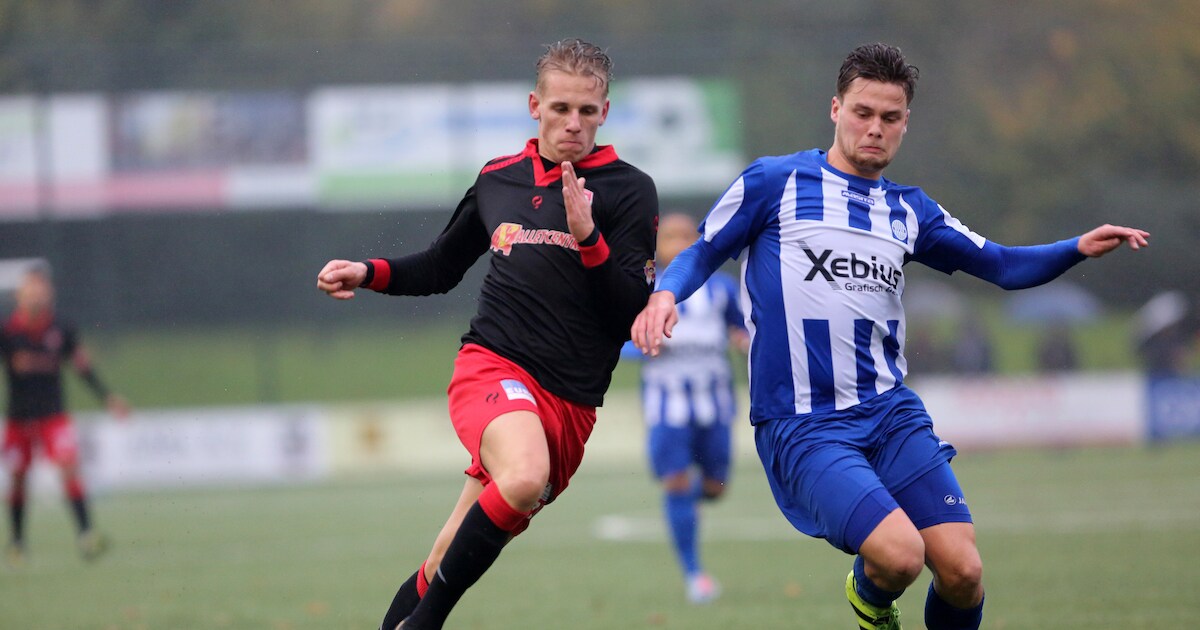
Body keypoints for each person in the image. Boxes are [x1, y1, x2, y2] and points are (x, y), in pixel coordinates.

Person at [631, 43, 1149, 630]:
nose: (875, 128)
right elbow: (702, 249)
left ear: (905, 122)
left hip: (891, 414)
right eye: (862, 112)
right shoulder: (773, 182)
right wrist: (667, 293)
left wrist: (1075, 247)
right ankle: (872, 600)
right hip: (804, 423)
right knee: (900, 556)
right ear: (835, 109)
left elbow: (1003, 266)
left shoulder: (911, 211)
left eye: (890, 117)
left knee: (963, 573)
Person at [316, 39, 657, 630]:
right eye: (559, 108)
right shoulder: (498, 180)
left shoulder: (630, 191)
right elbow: (440, 267)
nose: (572, 123)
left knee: (446, 552)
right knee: (524, 476)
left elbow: (627, 311)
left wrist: (588, 236)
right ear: (534, 105)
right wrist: (368, 272)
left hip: (570, 403)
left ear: (605, 111)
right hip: (493, 369)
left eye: (587, 111)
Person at [621, 212, 749, 604]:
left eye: (685, 236)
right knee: (677, 481)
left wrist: (745, 340)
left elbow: (742, 328)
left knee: (715, 487)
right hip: (667, 407)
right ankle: (695, 575)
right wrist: (644, 348)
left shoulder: (722, 290)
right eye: (669, 237)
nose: (677, 243)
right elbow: (622, 345)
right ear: (656, 247)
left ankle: (682, 506)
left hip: (715, 405)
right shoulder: (642, 291)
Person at [1, 266, 130, 567]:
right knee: (18, 478)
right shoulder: (8, 332)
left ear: (49, 293)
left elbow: (82, 367)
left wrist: (107, 397)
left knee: (69, 466)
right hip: (18, 418)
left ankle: (87, 535)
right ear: (20, 294)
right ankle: (17, 543)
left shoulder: (62, 329)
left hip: (53, 416)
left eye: (42, 288)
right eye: (31, 288)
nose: (37, 294)